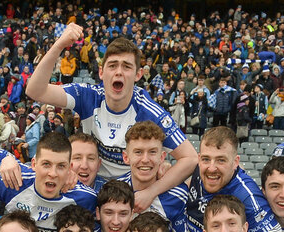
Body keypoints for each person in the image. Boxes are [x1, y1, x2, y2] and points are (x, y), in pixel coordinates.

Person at [26, 24, 198, 213]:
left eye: (126, 67)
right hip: (91, 183)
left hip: (131, 193)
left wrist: (151, 191)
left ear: (138, 75)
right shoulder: (88, 96)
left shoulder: (149, 112)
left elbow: (190, 158)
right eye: (113, 65)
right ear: (101, 72)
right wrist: (60, 44)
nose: (118, 72)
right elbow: (35, 90)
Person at [0, 132, 97, 232]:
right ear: (34, 164)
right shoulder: (14, 182)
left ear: (69, 168)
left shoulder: (85, 197)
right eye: (46, 164)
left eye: (61, 166)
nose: (53, 173)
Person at [185, 126, 284, 232]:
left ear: (235, 162)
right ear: (199, 159)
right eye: (206, 159)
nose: (211, 168)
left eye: (221, 160)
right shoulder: (199, 170)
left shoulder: (246, 195)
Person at [116, 121, 190, 232]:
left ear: (162, 157)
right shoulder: (115, 191)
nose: (145, 159)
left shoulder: (177, 195)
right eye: (138, 152)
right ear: (126, 157)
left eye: (152, 152)